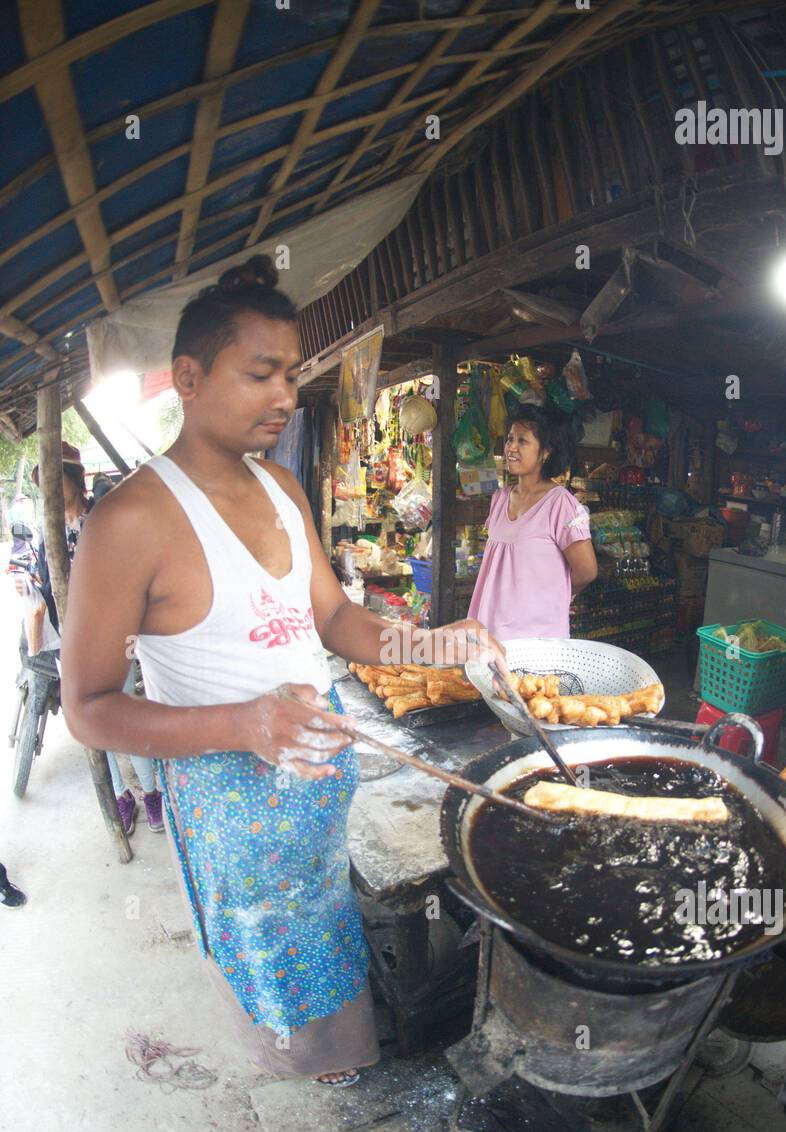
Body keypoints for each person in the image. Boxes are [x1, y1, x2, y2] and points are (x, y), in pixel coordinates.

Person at [61, 254, 504, 1088]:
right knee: (271, 950)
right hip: (231, 794)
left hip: (318, 764)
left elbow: (332, 618)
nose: (285, 396)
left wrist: (434, 644)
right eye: (261, 373)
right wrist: (244, 724)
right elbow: (88, 707)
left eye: (290, 374)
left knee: (325, 911)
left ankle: (339, 1042)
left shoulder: (282, 490)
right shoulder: (130, 520)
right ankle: (309, 1062)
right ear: (188, 377)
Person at [30, 448, 164, 833]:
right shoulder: (47, 533)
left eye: (58, 481)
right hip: (69, 645)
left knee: (121, 718)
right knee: (89, 725)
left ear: (76, 480)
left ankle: (151, 793)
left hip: (110, 638)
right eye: (45, 486)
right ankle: (121, 795)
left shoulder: (99, 522)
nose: (51, 492)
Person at [468, 406, 597, 640]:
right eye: (509, 439)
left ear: (545, 452)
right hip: (491, 628)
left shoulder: (560, 504)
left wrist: (560, 595)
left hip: (536, 636)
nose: (511, 448)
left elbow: (586, 570)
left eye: (522, 441)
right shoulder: (499, 499)